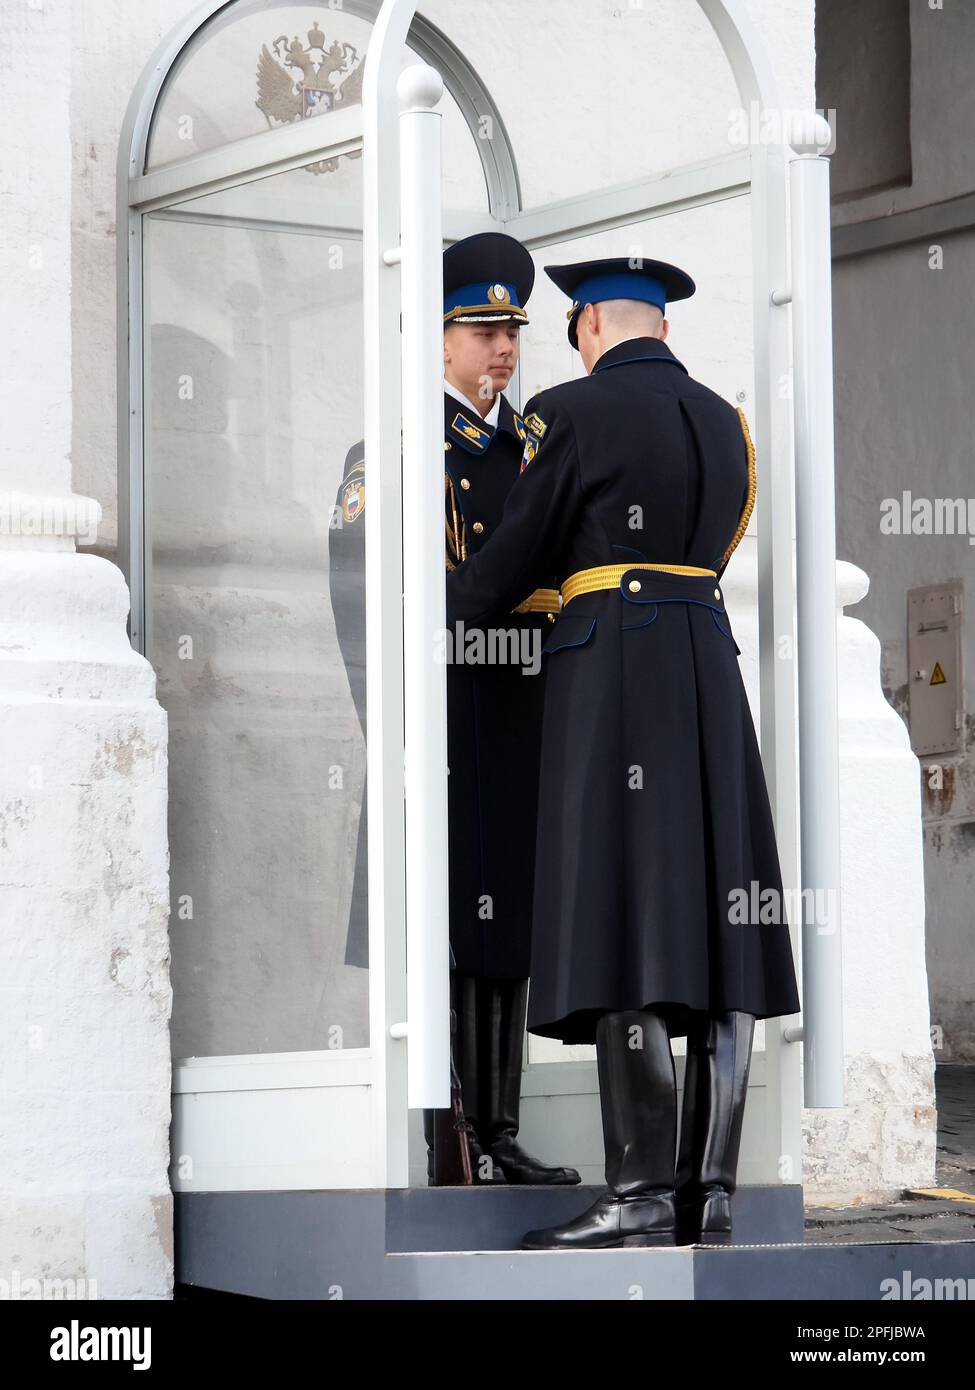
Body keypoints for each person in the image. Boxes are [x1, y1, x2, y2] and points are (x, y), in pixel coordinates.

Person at [444, 255, 802, 1247]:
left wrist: (441, 608)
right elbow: (719, 542)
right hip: (706, 665)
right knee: (720, 925)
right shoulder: (726, 425)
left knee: (617, 916)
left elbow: (517, 551)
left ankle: (637, 1195)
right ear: (664, 328)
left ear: (590, 323)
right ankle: (707, 1195)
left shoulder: (567, 413)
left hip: (612, 673)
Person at [328, 232, 580, 1187]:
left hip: (522, 715)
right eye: (479, 330)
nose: (502, 347)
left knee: (505, 932)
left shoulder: (537, 448)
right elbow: (355, 604)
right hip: (439, 717)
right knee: (435, 932)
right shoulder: (391, 447)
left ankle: (499, 1132)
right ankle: (443, 1131)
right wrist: (388, 730)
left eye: (510, 329)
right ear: (435, 340)